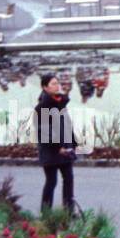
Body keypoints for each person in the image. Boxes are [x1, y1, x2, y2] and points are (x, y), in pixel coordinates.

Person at [36, 74, 78, 217]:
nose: (57, 86)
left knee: (69, 178)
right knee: (51, 182)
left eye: (57, 83)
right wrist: (57, 148)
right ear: (45, 87)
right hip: (51, 151)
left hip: (65, 149)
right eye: (53, 84)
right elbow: (44, 131)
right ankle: (45, 213)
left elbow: (67, 125)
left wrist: (74, 143)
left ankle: (69, 211)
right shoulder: (42, 107)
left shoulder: (60, 103)